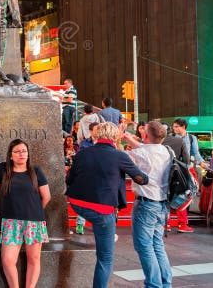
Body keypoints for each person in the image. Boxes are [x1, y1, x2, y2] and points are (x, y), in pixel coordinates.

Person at [70, 123, 148, 288]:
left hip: (77, 204)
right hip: (102, 210)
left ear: (95, 135)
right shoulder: (119, 156)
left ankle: (105, 233)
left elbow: (69, 180)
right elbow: (140, 179)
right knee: (105, 258)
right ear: (115, 137)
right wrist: (147, 176)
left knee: (100, 225)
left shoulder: (82, 153)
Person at [0, 139, 51, 288]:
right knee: (8, 260)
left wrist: (35, 210)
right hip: (10, 222)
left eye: (24, 151)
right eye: (17, 151)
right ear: (10, 155)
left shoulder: (36, 171)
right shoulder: (3, 169)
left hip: (34, 222)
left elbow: (47, 196)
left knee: (34, 259)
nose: (21, 154)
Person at [123, 120, 173, 288]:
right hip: (162, 205)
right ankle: (165, 283)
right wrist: (128, 138)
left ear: (145, 135)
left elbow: (118, 154)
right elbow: (143, 147)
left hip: (146, 205)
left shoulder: (143, 153)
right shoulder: (166, 151)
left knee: (144, 246)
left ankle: (153, 284)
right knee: (157, 244)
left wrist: (120, 137)